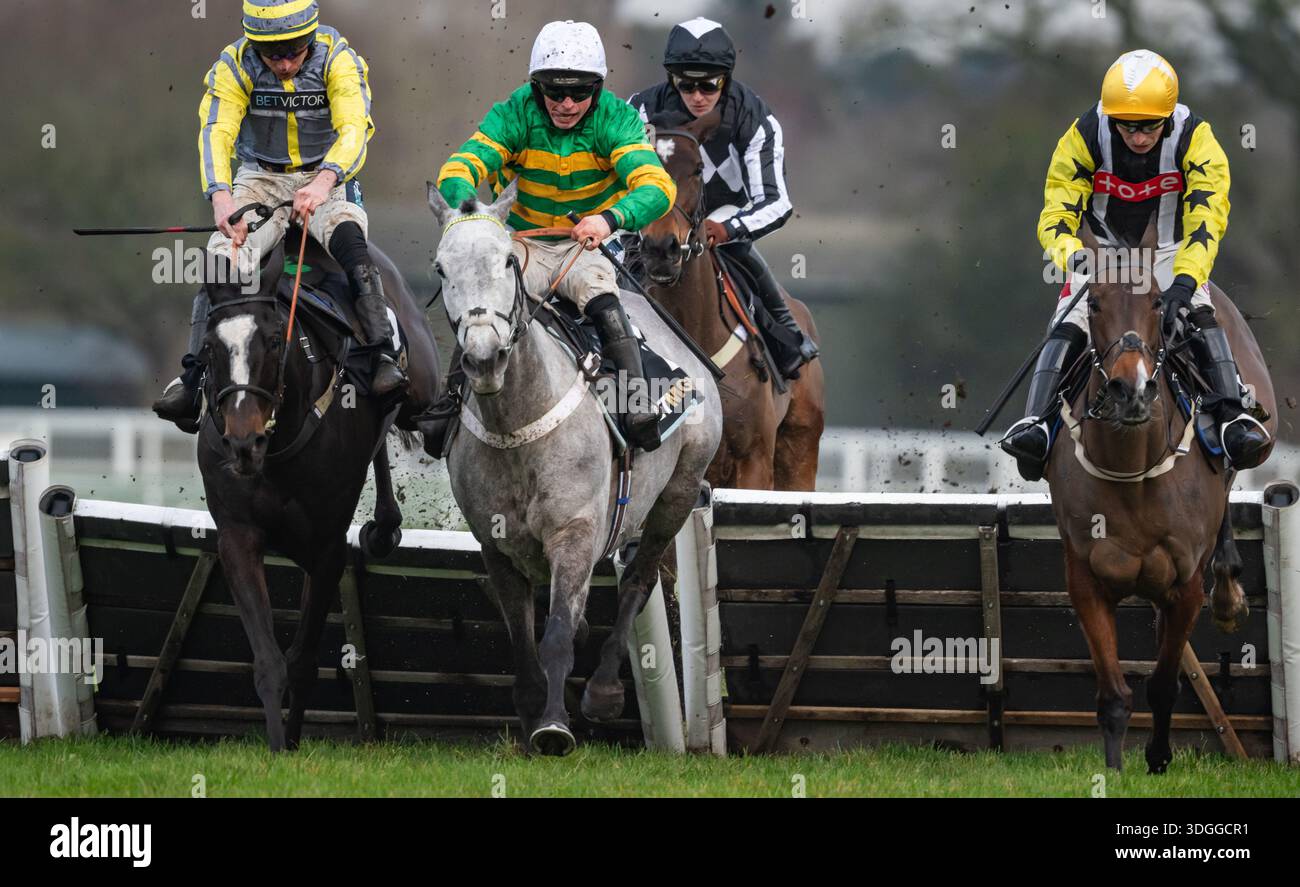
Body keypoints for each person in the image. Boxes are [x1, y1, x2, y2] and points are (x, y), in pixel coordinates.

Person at [1000, 48, 1269, 480]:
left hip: (1170, 249)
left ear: (1167, 115)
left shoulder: (1196, 138)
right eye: (1128, 127)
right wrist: (1076, 258)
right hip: (1100, 252)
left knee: (1198, 313)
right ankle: (1037, 423)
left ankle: (1233, 417)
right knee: (1070, 320)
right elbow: (1056, 214)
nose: (1139, 137)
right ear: (1112, 116)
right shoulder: (1085, 133)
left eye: (1149, 127)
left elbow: (1207, 221)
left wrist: (1185, 280)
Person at [421, 19, 677, 457]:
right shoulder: (513, 113)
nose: (565, 102)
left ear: (597, 89)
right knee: (485, 297)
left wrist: (609, 219)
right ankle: (450, 399)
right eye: (553, 91)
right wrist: (472, 213)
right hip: (522, 243)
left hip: (585, 246)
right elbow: (458, 170)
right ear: (535, 86)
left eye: (579, 92)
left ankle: (637, 402)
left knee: (600, 296)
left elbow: (659, 188)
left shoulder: (616, 119)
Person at [153, 0, 405, 432]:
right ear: (255, 45)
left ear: (311, 36)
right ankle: (193, 377)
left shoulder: (338, 57)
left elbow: (354, 128)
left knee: (353, 248)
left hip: (327, 177)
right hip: (259, 180)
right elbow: (216, 131)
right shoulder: (234, 65)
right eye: (273, 54)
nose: (286, 63)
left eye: (296, 50)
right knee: (220, 261)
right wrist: (219, 197)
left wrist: (324, 180)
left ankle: (382, 355)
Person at [628, 16, 818, 379]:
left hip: (725, 212)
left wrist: (729, 229)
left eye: (709, 85)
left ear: (725, 78)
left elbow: (777, 202)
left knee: (736, 249)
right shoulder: (640, 110)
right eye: (686, 85)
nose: (698, 96)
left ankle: (786, 336)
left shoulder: (753, 117)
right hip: (655, 209)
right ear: (672, 79)